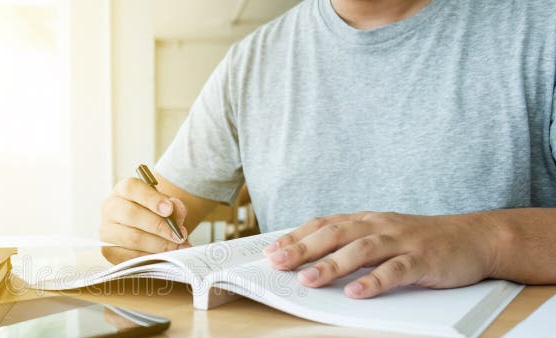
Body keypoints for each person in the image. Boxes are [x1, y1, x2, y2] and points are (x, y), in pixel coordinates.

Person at [99, 0, 556, 298]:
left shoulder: (541, 29)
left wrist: (485, 240)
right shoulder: (251, 62)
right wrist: (131, 227)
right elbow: (157, 223)